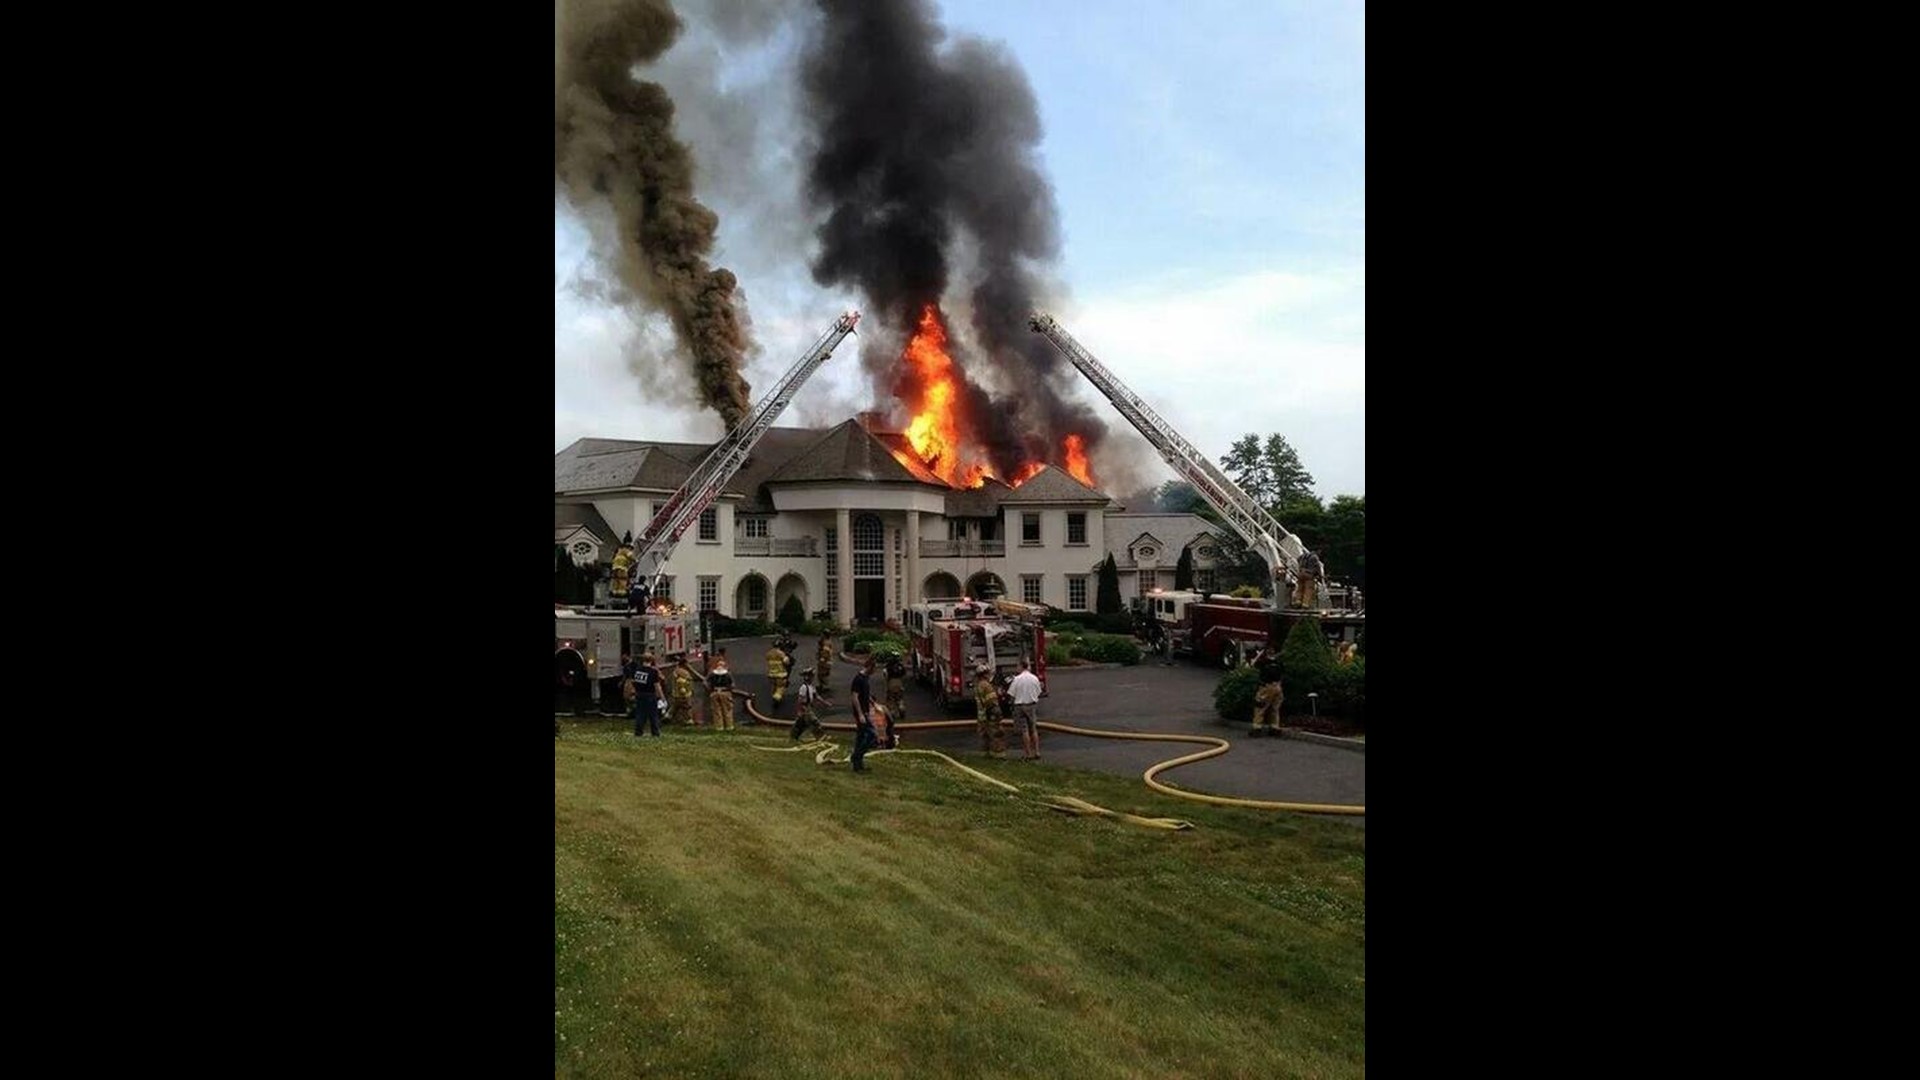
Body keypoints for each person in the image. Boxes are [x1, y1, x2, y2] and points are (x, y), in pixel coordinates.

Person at [1008, 659, 1043, 760]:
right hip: (1031, 705)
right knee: (1033, 729)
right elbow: (1039, 692)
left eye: (1017, 666)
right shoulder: (1034, 678)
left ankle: (1028, 753)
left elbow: (1011, 695)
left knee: (1024, 730)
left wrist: (1012, 704)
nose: (1016, 668)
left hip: (1020, 706)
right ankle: (1037, 751)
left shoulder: (1017, 679)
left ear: (1021, 667)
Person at [849, 656, 877, 772]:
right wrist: (860, 714)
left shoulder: (865, 679)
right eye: (874, 669)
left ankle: (858, 765)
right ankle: (857, 756)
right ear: (870, 667)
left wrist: (870, 700)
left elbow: (863, 693)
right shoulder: (858, 679)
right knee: (871, 735)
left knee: (860, 737)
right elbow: (854, 697)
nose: (874, 672)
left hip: (865, 711)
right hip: (861, 713)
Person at [972, 664, 1005, 759]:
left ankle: (985, 755)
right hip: (990, 715)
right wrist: (998, 714)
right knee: (996, 734)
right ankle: (998, 755)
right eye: (988, 673)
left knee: (984, 736)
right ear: (985, 674)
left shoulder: (978, 685)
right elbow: (992, 702)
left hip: (981, 716)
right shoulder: (987, 686)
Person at [790, 668, 832, 742]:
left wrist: (825, 703)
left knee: (801, 724)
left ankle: (794, 736)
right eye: (811, 676)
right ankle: (820, 736)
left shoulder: (811, 687)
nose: (812, 678)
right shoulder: (803, 687)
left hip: (808, 706)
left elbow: (816, 696)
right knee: (814, 721)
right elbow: (800, 699)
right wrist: (799, 710)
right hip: (805, 707)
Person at [1251, 645, 1284, 737]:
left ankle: (1257, 728)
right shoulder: (1279, 663)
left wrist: (1259, 655)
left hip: (1266, 687)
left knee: (1260, 707)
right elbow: (1282, 674)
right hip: (1278, 687)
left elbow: (1253, 664)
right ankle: (1275, 728)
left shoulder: (1264, 662)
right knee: (1275, 708)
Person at [630, 652, 664, 737]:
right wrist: (662, 697)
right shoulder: (653, 672)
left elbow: (633, 682)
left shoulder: (637, 670)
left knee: (640, 715)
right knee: (653, 715)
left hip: (639, 694)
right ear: (652, 661)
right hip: (650, 695)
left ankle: (638, 732)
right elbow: (657, 686)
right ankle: (655, 733)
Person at [883, 651, 908, 749]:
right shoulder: (900, 666)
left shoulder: (889, 666)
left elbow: (885, 674)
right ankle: (902, 709)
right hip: (899, 683)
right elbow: (904, 673)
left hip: (891, 683)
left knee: (891, 699)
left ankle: (892, 714)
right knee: (900, 698)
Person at [706, 649, 736, 731]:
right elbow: (732, 684)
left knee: (717, 711)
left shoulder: (712, 674)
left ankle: (719, 727)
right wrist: (730, 689)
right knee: (727, 710)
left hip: (714, 693)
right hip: (725, 692)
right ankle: (729, 727)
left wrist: (710, 689)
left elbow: (705, 682)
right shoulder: (728, 674)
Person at [667, 655, 697, 726]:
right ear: (684, 664)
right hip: (684, 693)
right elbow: (682, 682)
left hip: (676, 693)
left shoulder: (676, 671)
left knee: (675, 706)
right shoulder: (683, 672)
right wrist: (685, 692)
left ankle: (668, 716)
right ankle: (689, 720)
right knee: (687, 706)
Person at [766, 638, 791, 707]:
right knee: (780, 687)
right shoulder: (781, 653)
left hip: (771, 674)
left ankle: (774, 696)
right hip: (780, 674)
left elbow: (768, 660)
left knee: (773, 687)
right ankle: (777, 698)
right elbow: (787, 662)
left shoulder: (769, 653)